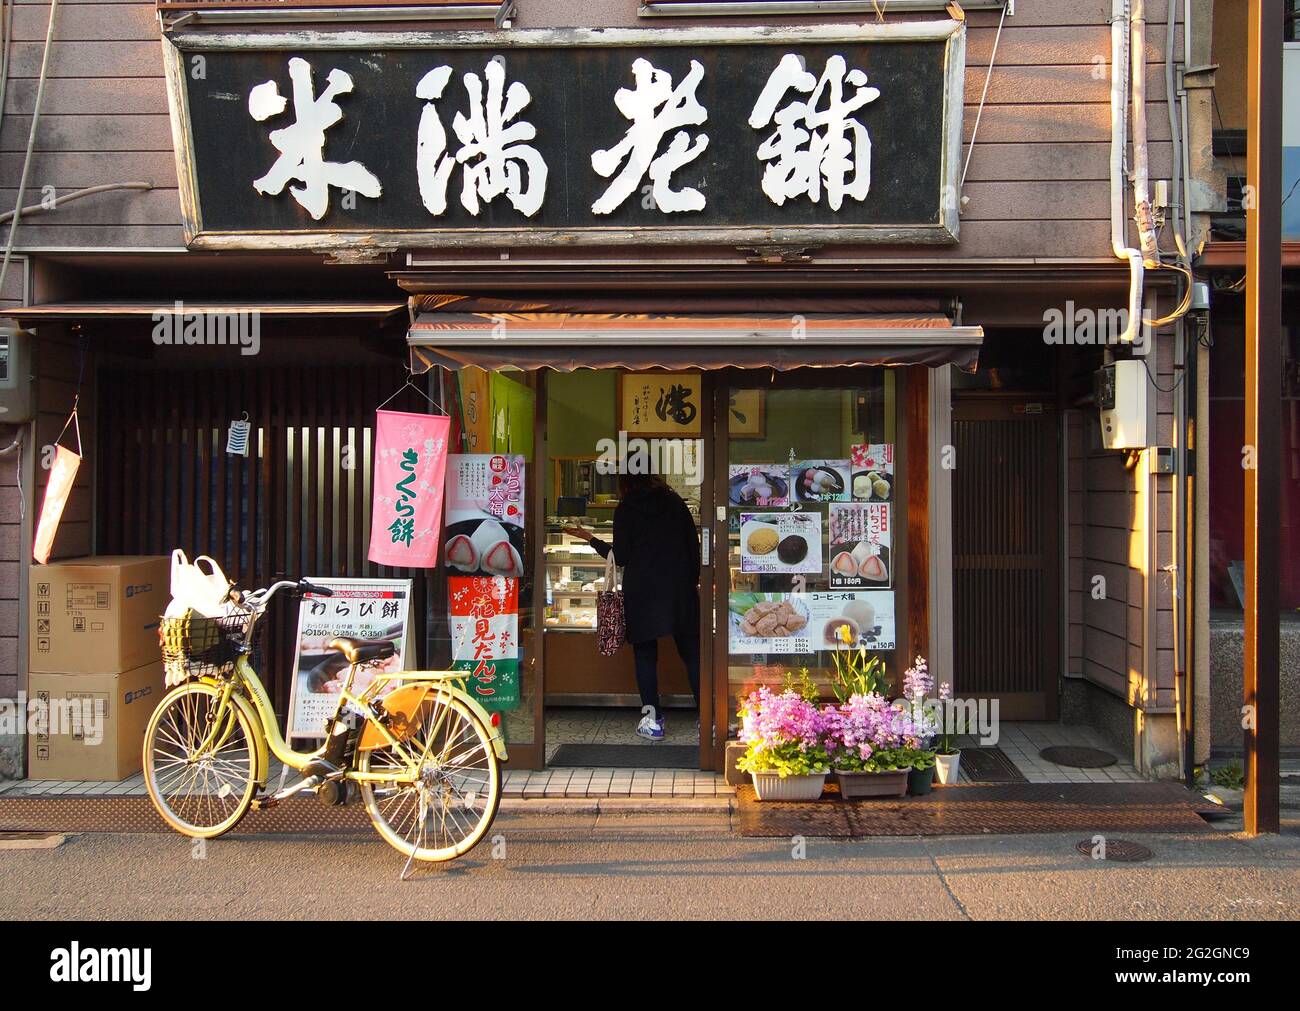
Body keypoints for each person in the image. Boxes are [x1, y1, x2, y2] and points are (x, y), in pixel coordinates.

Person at [564, 474, 700, 740]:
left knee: (646, 656)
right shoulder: (674, 502)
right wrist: (691, 582)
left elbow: (622, 556)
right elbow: (692, 545)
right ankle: (709, 720)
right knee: (693, 655)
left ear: (626, 480)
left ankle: (653, 720)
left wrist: (590, 539)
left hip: (643, 592)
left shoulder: (626, 508)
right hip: (679, 589)